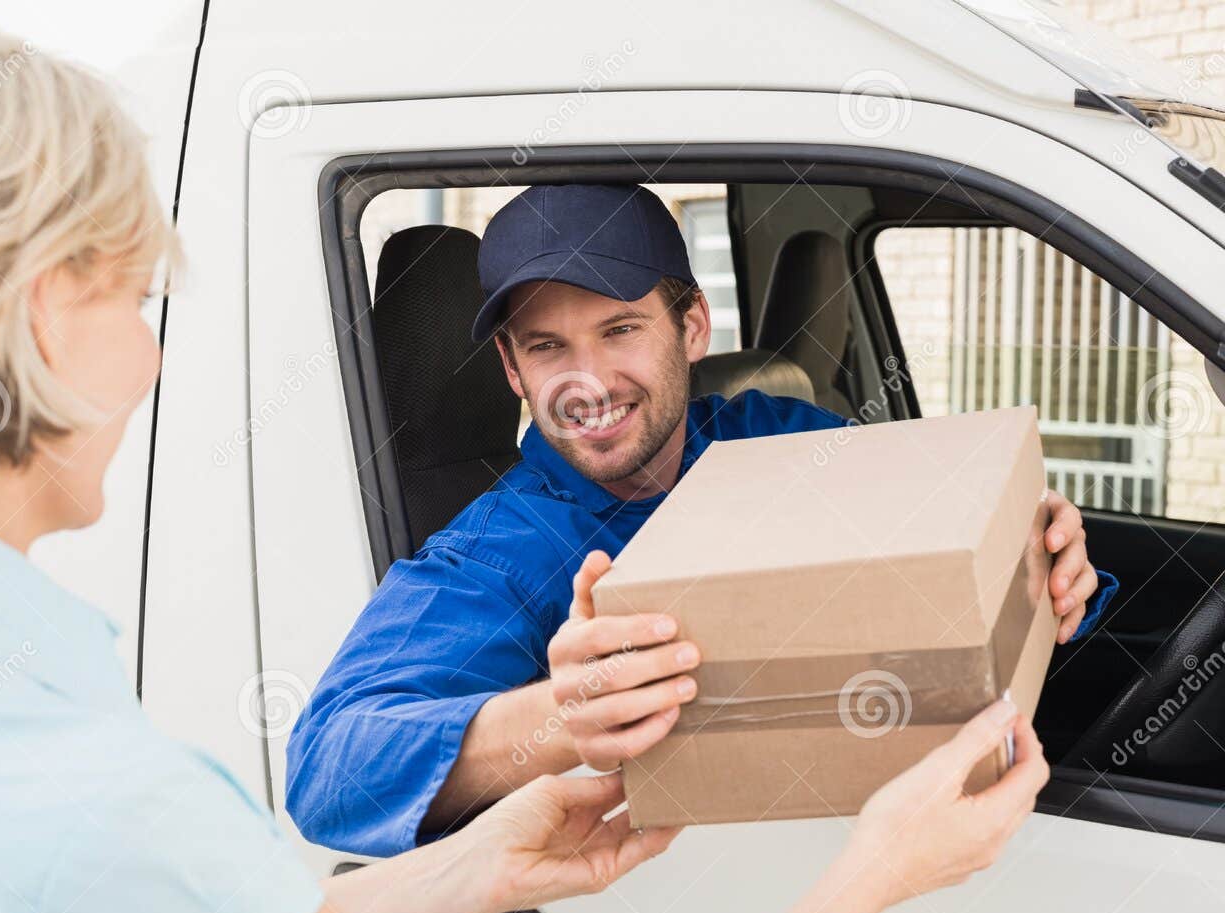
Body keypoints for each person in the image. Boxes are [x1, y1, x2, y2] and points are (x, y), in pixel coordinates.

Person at [0, 16, 1049, 913]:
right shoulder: (89, 804)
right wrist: (873, 872)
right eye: (132, 297)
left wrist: (464, 869)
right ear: (32, 325)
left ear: (689, 328)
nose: (151, 357)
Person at [285, 183, 1118, 856]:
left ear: (690, 327)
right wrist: (562, 716)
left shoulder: (772, 438)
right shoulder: (495, 555)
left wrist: (1050, 566)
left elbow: (940, 553)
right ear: (510, 367)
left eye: (620, 330)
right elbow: (327, 770)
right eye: (547, 347)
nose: (589, 382)